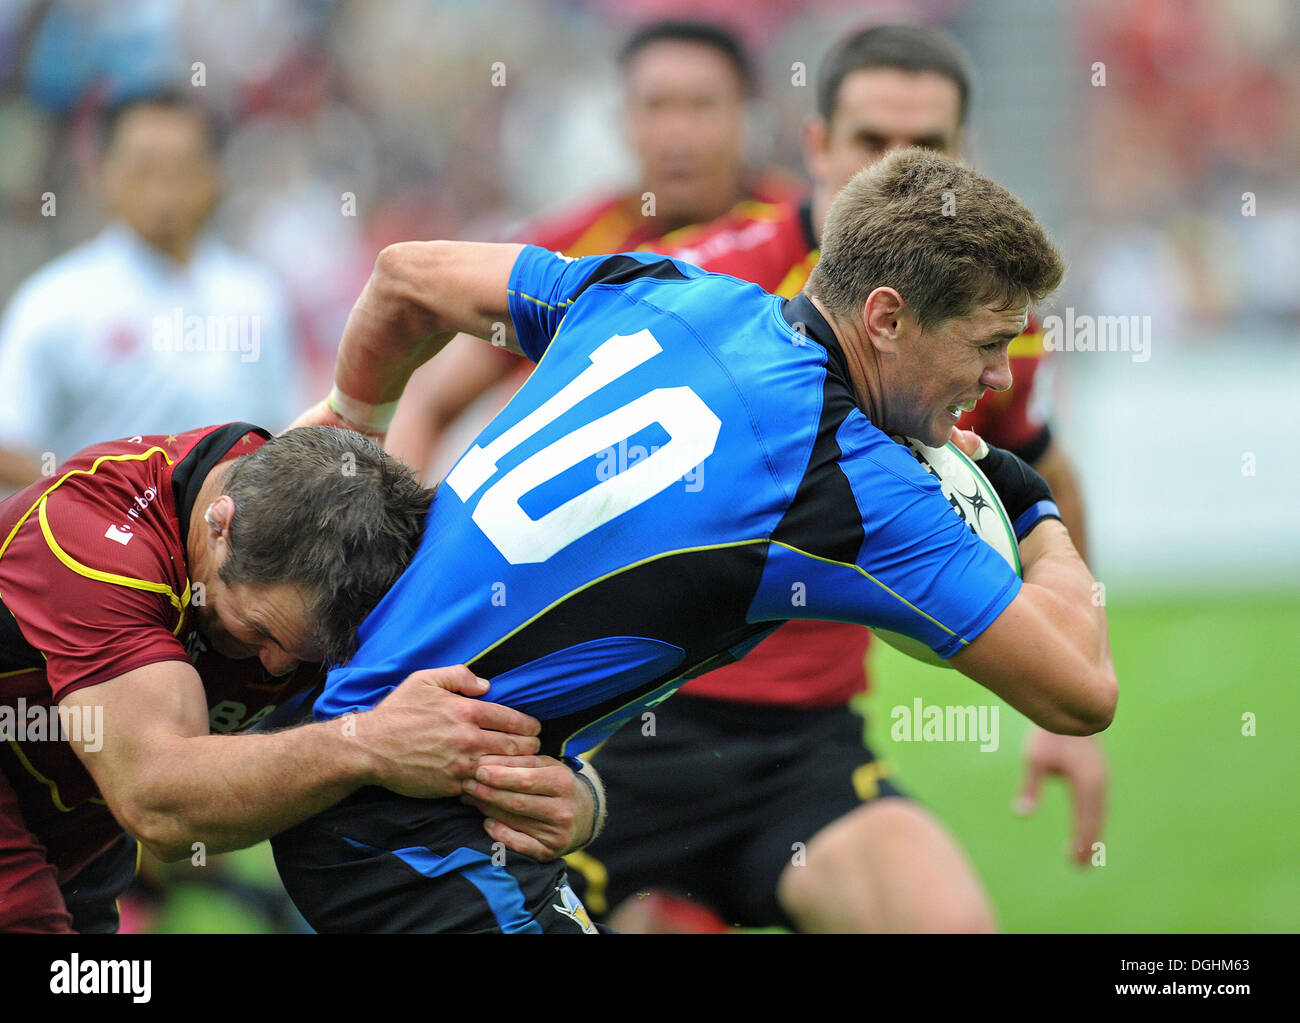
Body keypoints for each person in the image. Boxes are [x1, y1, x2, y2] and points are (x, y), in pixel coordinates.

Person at [276, 147, 1117, 934]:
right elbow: (1081, 692)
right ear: (887, 317)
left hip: (334, 733)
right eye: (987, 343)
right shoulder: (857, 487)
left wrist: (352, 422)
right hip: (418, 829)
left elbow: (404, 277)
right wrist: (1028, 502)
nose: (1000, 377)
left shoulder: (669, 286)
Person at [561, 22, 1105, 933]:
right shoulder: (710, 278)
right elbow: (465, 373)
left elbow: (1040, 471)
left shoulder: (982, 322)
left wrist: (1066, 676)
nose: (898, 171)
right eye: (868, 142)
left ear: (964, 156)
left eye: (926, 147)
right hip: (625, 729)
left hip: (802, 750)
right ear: (817, 145)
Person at [0, 423, 597, 933]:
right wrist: (365, 743)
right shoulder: (89, 545)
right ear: (220, 525)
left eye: (309, 655)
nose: (276, 672)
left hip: (79, 828)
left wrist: (579, 796)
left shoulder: (357, 540)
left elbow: (494, 710)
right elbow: (161, 806)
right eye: (257, 632)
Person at [386, 19, 799, 477]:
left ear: (748, 119)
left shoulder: (802, 232)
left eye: (702, 106)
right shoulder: (573, 244)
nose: (678, 133)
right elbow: (428, 402)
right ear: (622, 121)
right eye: (656, 106)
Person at [0, 92, 301, 491]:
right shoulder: (54, 303)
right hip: (98, 548)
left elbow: (283, 430)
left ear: (214, 175)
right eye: (144, 168)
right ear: (101, 174)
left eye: (181, 168)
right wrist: (98, 504)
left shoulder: (255, 296)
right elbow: (8, 442)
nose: (163, 188)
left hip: (230, 540)